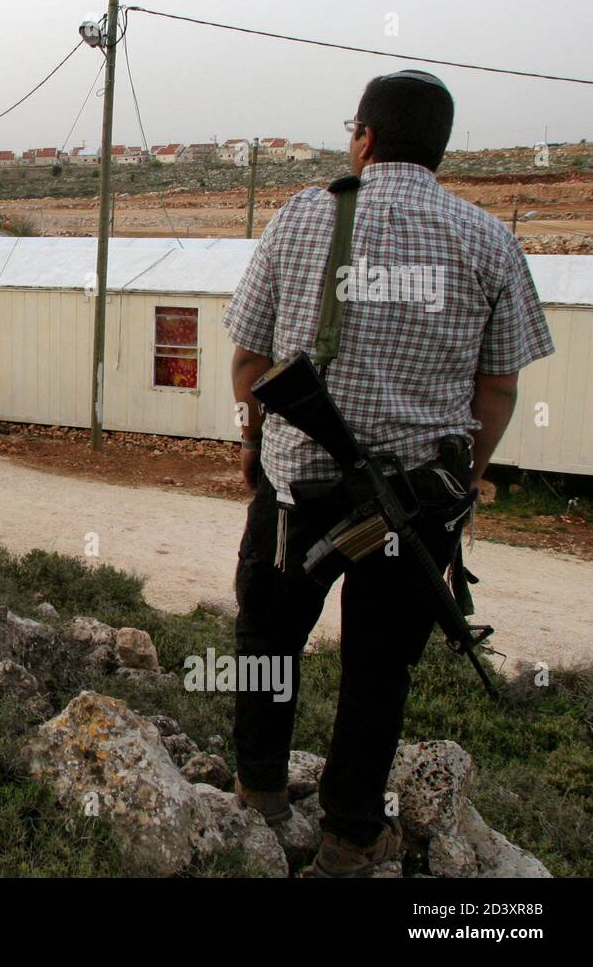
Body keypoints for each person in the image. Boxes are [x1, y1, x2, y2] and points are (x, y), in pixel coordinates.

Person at [221, 69, 554, 877]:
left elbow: (249, 356)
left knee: (268, 640)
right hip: (414, 508)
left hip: (300, 491)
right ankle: (347, 841)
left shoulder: (305, 214)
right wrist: (465, 478)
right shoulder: (487, 238)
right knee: (376, 675)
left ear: (363, 137)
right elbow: (501, 387)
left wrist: (256, 440)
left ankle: (259, 799)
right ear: (438, 150)